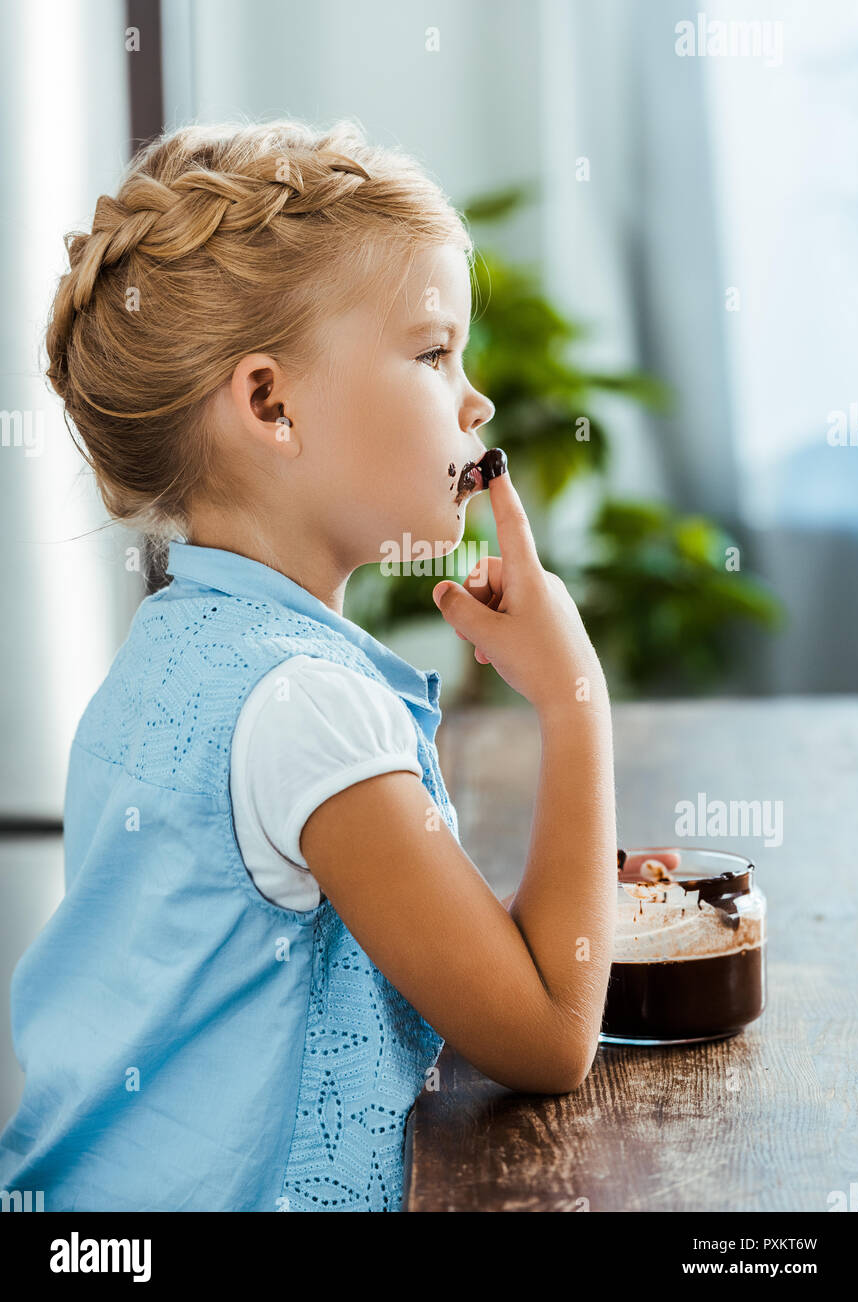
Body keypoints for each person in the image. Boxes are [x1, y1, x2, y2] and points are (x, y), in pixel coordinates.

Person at [0, 119, 621, 1212]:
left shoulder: (168, 655)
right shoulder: (310, 712)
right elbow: (549, 1033)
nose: (474, 401)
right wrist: (575, 699)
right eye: (435, 352)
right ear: (269, 405)